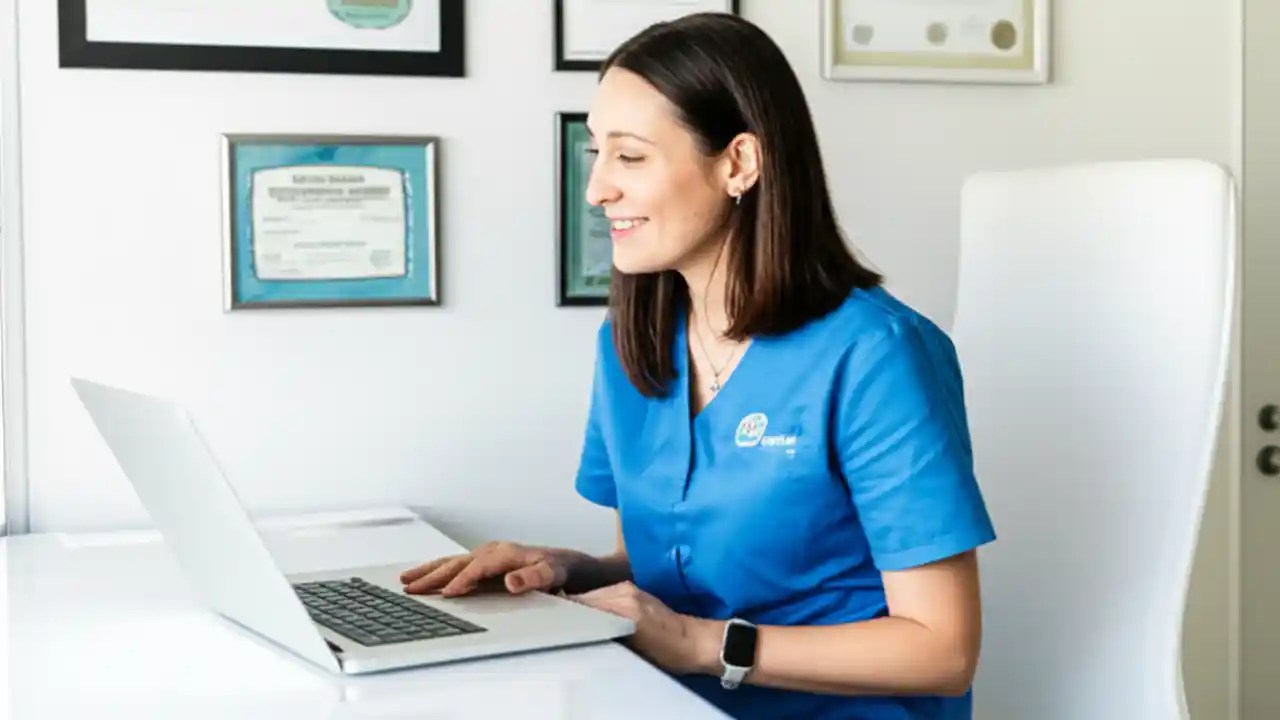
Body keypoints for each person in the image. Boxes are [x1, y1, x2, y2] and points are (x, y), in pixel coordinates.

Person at [399, 12, 996, 720]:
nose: (596, 190)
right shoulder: (632, 342)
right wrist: (561, 572)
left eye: (629, 156)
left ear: (739, 163)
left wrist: (697, 644)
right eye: (597, 153)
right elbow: (665, 567)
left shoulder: (876, 356)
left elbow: (943, 649)